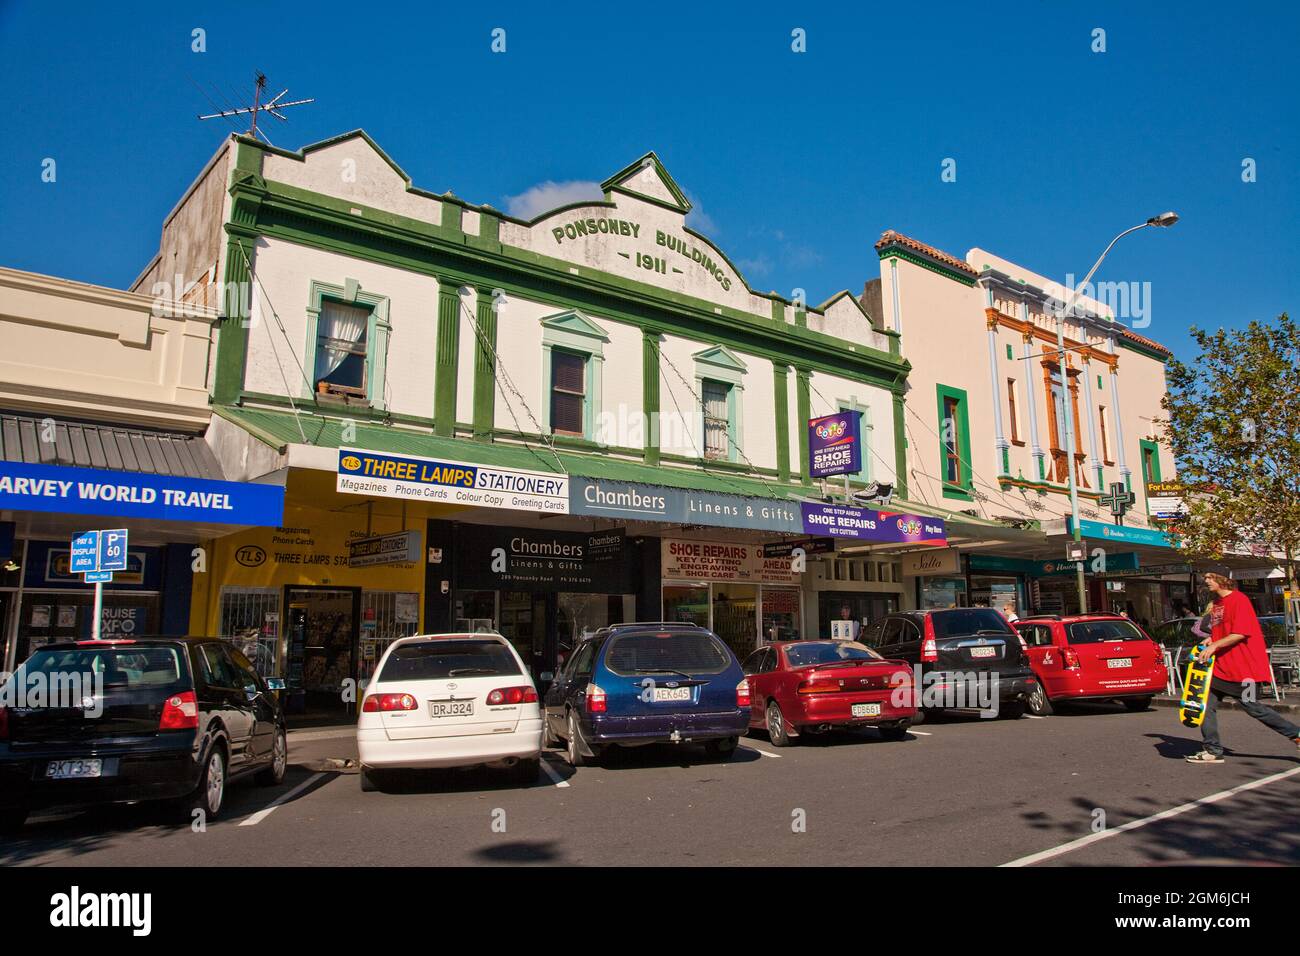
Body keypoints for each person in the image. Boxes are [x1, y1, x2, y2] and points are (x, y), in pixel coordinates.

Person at [1186, 572, 1300, 764]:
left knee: (1254, 707)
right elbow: (1224, 631)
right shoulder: (1217, 605)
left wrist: (1215, 645)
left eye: (1210, 577)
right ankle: (1212, 749)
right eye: (1205, 578)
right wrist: (1211, 639)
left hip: (1244, 669)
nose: (1206, 581)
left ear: (1222, 579)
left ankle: (1295, 734)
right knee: (1204, 704)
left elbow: (1240, 632)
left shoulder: (1239, 600)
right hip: (1222, 669)